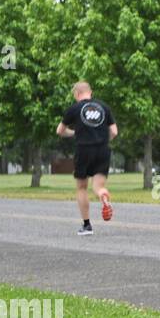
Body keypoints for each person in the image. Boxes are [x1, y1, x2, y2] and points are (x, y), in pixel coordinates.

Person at [56, 82, 118, 236]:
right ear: (90, 92)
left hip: (83, 150)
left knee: (82, 187)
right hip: (103, 150)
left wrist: (73, 133)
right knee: (98, 186)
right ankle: (103, 196)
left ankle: (87, 225)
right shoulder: (104, 107)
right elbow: (114, 132)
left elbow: (60, 131)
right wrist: (104, 140)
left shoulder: (74, 109)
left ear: (77, 94)